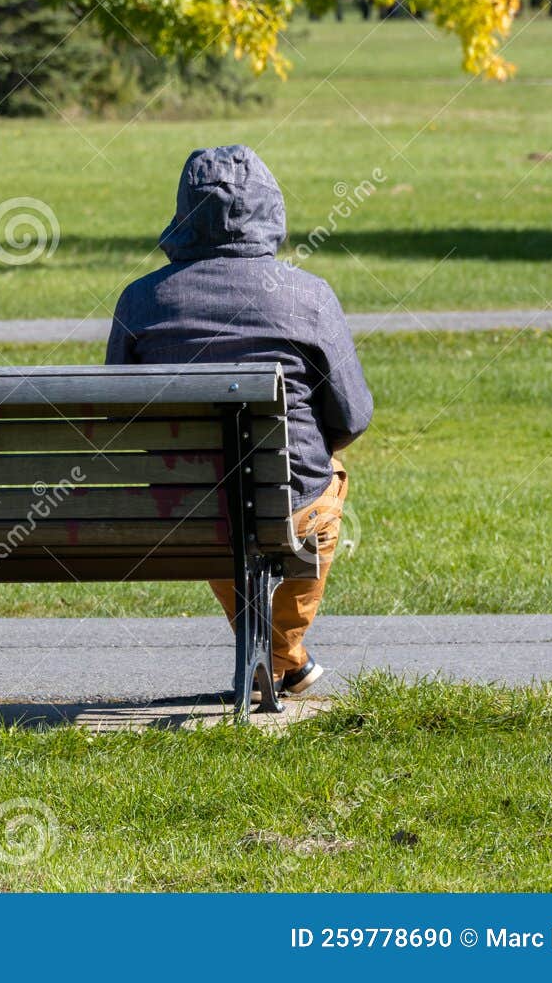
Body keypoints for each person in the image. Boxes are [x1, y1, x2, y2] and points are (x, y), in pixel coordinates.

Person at [105, 145, 373, 696]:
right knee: (321, 483)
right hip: (289, 504)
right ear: (269, 209)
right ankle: (278, 660)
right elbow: (353, 415)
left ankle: (279, 661)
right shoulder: (308, 296)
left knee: (218, 503)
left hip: (187, 510)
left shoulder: (139, 301)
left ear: (184, 213)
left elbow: (121, 419)